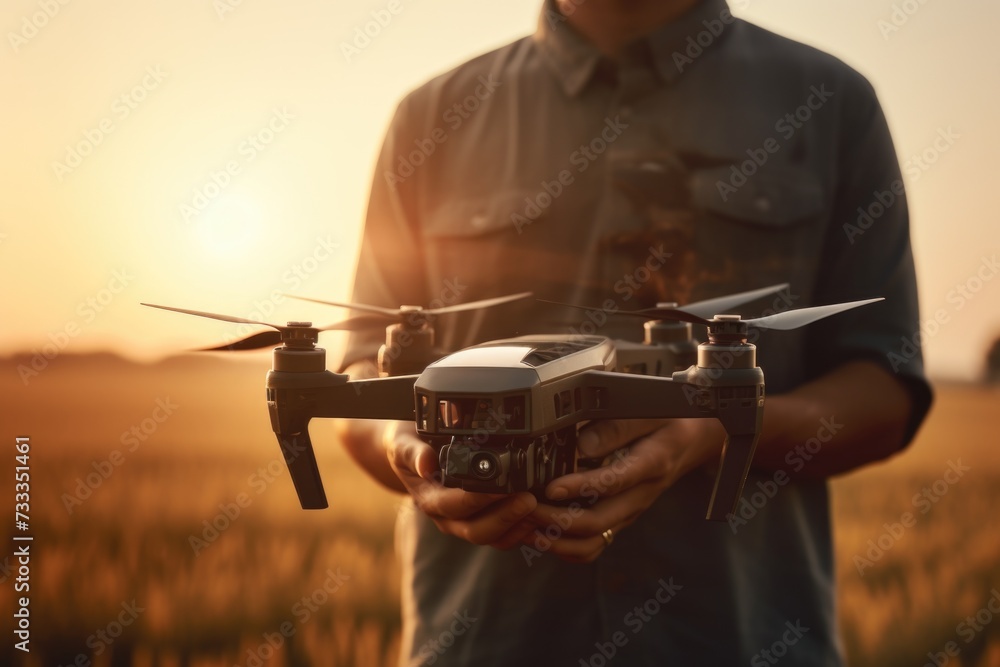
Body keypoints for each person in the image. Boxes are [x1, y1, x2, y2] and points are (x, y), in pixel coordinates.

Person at [337, 0, 933, 664]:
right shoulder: (430, 118)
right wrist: (410, 450)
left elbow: (885, 392)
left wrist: (719, 432)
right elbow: (360, 379)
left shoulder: (832, 104)